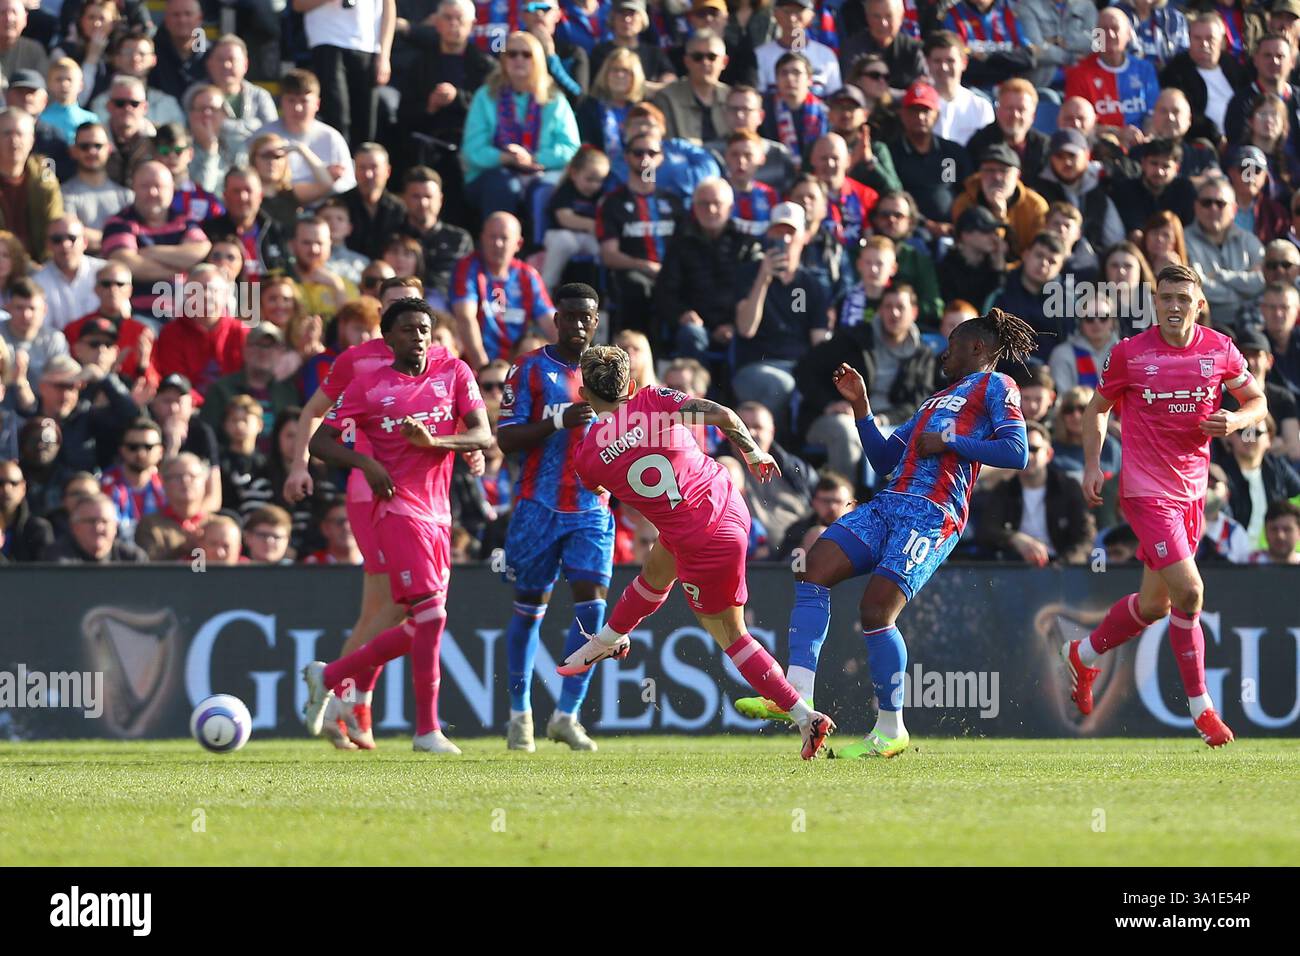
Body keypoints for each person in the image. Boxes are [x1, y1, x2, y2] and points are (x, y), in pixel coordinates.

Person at [735, 309, 1034, 759]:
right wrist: (862, 407)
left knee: (876, 611)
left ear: (977, 348)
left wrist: (951, 443)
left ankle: (891, 729)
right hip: (888, 503)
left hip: (933, 514)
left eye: (951, 343)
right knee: (815, 566)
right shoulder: (934, 402)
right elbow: (882, 459)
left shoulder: (998, 386)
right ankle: (795, 693)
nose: (943, 352)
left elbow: (1016, 451)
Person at [557, 344, 836, 759]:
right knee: (657, 567)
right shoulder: (651, 399)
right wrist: (754, 452)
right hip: (728, 506)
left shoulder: (588, 457)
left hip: (704, 542)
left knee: (731, 636)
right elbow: (724, 415)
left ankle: (803, 716)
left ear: (583, 394)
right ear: (630, 384)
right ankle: (609, 638)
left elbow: (596, 487)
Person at [1064, 264, 1268, 748]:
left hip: (1192, 493)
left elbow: (1258, 401)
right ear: (1155, 303)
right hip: (1145, 491)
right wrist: (1094, 465)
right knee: (1191, 593)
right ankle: (1204, 710)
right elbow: (1098, 409)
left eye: (1183, 297)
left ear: (1198, 304)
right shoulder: (1131, 355)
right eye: (1166, 297)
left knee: (1155, 604)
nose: (1174, 305)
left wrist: (1236, 420)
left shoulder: (1219, 349)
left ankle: (1084, 654)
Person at [302, 298, 492, 755]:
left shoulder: (455, 374)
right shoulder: (369, 386)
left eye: (424, 328)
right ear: (388, 339)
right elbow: (321, 441)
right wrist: (365, 462)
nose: (418, 336)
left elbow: (484, 434)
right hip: (397, 510)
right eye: (407, 330)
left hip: (439, 515)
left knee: (420, 623)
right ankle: (427, 731)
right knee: (430, 615)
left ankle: (327, 676)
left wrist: (437, 441)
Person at [491, 284, 614, 751]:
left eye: (587, 317)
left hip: (591, 507)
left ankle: (567, 714)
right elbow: (506, 439)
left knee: (593, 607)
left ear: (596, 320)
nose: (578, 324)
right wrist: (556, 422)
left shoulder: (611, 371)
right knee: (529, 608)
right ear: (556, 318)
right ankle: (519, 714)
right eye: (569, 316)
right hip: (537, 507)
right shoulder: (528, 368)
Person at [461, 30, 580, 218]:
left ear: (538, 61)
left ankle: (539, 246)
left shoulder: (554, 99)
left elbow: (571, 148)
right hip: (493, 174)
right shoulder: (486, 95)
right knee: (503, 185)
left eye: (526, 54)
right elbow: (472, 151)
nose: (519, 59)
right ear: (503, 60)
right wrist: (507, 158)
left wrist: (534, 158)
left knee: (545, 190)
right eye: (512, 54)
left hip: (542, 171)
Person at [733, 200, 830, 429]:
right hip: (757, 366)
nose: (785, 239)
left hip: (799, 367)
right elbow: (746, 328)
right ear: (769, 235)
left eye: (791, 232)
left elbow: (819, 343)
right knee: (782, 385)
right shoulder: (748, 274)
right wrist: (763, 278)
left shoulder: (812, 285)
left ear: (805, 237)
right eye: (779, 231)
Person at [656, 175, 761, 361]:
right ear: (694, 208)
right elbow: (665, 291)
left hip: (737, 326)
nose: (711, 210)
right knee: (690, 334)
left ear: (730, 208)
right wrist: (682, 314)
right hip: (696, 326)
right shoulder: (680, 245)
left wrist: (733, 325)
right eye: (704, 204)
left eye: (717, 203)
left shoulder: (748, 246)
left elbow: (757, 292)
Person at [596, 127, 684, 337]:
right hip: (635, 276)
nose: (645, 158)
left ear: (661, 158)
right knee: (636, 287)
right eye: (638, 153)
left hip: (673, 274)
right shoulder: (612, 203)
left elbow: (686, 245)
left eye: (652, 153)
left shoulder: (673, 201)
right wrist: (644, 266)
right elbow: (609, 255)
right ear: (627, 157)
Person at [101, 161, 211, 321]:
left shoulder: (183, 221)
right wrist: (181, 270)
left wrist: (148, 252)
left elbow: (200, 250)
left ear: (172, 189)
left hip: (187, 317)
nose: (152, 192)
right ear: (133, 188)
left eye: (159, 186)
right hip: (140, 317)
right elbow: (126, 264)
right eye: (145, 186)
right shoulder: (119, 223)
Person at [976, 420, 1094, 565]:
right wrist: (1014, 538)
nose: (1027, 455)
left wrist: (1062, 566)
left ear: (1049, 454)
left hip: (1061, 570)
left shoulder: (1068, 487)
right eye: (1020, 448)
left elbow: (1086, 538)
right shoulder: (1004, 489)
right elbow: (987, 531)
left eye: (1033, 449)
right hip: (1016, 569)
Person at [452, 212, 555, 369]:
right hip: (476, 367)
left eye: (504, 238)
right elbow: (465, 318)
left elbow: (552, 324)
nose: (497, 243)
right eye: (492, 237)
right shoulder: (468, 268)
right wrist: (485, 370)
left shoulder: (528, 276)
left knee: (533, 344)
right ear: (482, 238)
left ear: (518, 244)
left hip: (517, 366)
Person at [295, 0, 395, 148]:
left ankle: (360, 167)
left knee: (366, 123)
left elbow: (389, 9)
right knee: (337, 117)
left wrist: (384, 54)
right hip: (327, 42)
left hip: (367, 46)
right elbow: (298, 5)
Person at [255, 69, 358, 201]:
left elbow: (347, 186)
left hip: (323, 211)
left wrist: (333, 181)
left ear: (317, 104)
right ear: (281, 102)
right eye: (291, 100)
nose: (297, 108)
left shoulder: (332, 138)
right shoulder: (263, 135)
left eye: (304, 101)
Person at [1184, 176, 1265, 329]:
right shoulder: (1184, 240)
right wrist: (1243, 294)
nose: (1213, 208)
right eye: (1206, 203)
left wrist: (1222, 276)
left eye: (1220, 204)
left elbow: (1262, 280)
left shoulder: (1249, 240)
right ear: (1196, 207)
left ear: (1234, 209)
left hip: (1252, 323)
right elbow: (1199, 288)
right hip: (1209, 324)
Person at [949, 143, 1048, 260]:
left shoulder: (1035, 206)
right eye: (989, 170)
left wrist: (1002, 218)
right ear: (980, 173)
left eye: (1004, 171)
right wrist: (997, 215)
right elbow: (964, 248)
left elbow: (1037, 254)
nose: (996, 177)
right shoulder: (964, 202)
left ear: (1018, 176)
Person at [1216, 413, 1300, 542]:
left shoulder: (1278, 467)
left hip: (1275, 554)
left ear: (1269, 439)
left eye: (1256, 433)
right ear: (1230, 436)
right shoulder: (1217, 473)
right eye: (1242, 431)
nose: (1249, 438)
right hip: (1231, 555)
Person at [0, 107, 63, 262]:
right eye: (7, 133)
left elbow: (54, 226)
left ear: (31, 140)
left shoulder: (45, 181)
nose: (14, 141)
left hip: (40, 268)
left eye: (20, 134)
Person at [541, 145, 608, 290]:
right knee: (566, 242)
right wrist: (591, 224)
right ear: (574, 174)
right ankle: (546, 287)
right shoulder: (566, 190)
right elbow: (564, 218)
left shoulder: (601, 194)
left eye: (599, 180)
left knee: (605, 248)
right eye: (589, 179)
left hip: (586, 237)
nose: (594, 185)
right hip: (558, 234)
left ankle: (605, 290)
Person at [652, 29, 729, 143]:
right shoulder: (666, 97)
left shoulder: (732, 98)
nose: (705, 62)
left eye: (712, 57)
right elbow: (668, 144)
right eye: (697, 57)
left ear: (724, 62)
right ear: (687, 61)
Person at [924, 30, 992, 148]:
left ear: (964, 63)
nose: (944, 67)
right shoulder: (918, 106)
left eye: (950, 61)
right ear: (927, 63)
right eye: (937, 61)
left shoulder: (981, 107)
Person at [41, 491, 147, 562]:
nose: (98, 528)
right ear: (74, 527)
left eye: (104, 521)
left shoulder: (133, 560)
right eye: (91, 521)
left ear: (115, 527)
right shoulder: (56, 559)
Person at [0, 456, 53, 560]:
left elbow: (44, 574)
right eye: (0, 483)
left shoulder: (38, 529)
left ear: (23, 488)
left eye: (14, 483)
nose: (7, 489)